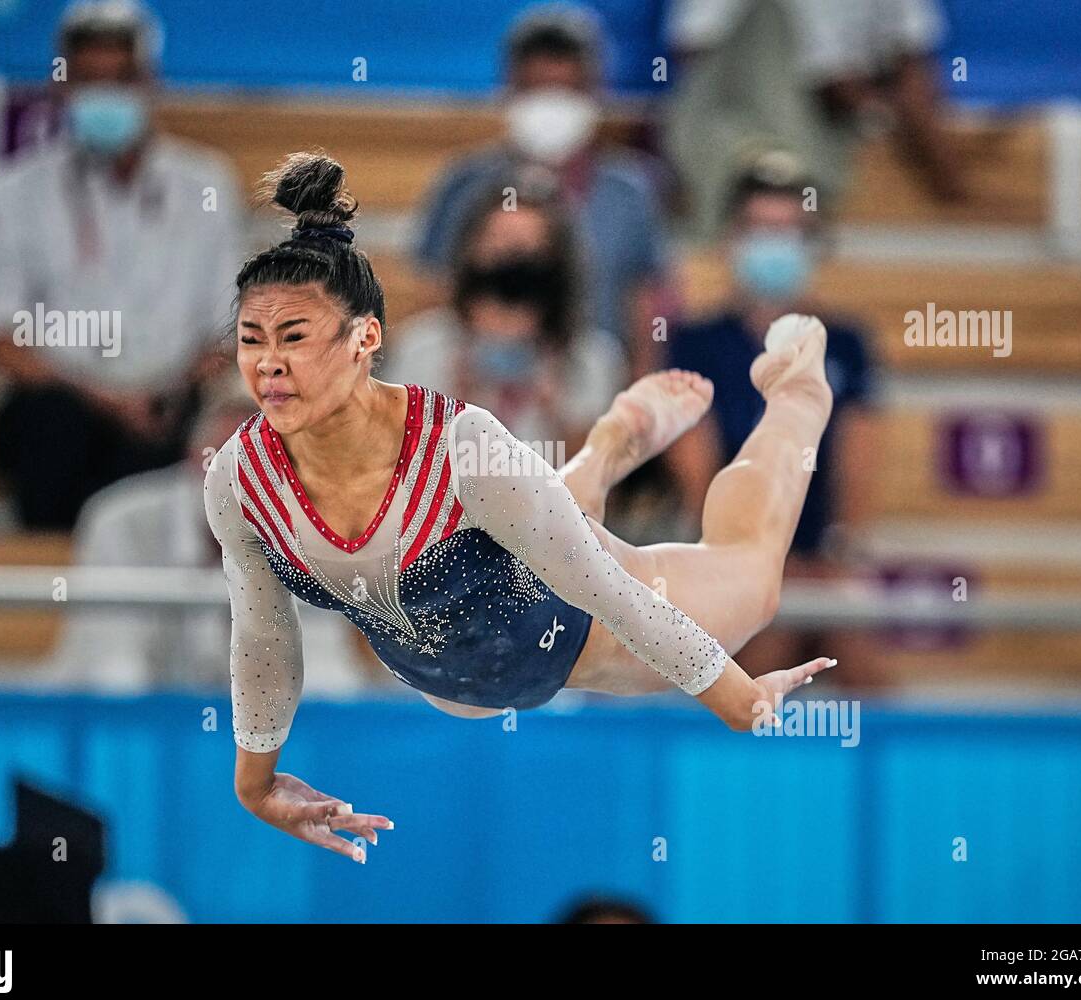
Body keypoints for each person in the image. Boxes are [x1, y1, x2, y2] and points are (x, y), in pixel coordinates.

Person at [204, 153, 836, 862]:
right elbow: (263, 633)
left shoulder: (457, 444)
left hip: (580, 633)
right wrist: (254, 784)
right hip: (451, 669)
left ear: (365, 340)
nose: (268, 366)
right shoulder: (239, 478)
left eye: (294, 338)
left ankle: (798, 390)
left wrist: (738, 698)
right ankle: (597, 459)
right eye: (251, 340)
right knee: (533, 524)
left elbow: (608, 590)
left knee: (754, 572)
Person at [0, 0, 244, 530]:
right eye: (90, 80)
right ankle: (47, 587)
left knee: (198, 432)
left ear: (150, 83)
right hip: (64, 406)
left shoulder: (205, 185)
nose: (106, 95)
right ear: (62, 86)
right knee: (52, 427)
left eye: (121, 78)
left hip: (171, 402)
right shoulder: (16, 190)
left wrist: (163, 392)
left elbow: (228, 332)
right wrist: (103, 398)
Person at [665, 153, 880, 683]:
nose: (775, 243)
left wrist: (835, 550)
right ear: (730, 240)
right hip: (723, 559)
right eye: (761, 229)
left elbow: (860, 461)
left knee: (858, 658)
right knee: (767, 647)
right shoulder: (695, 344)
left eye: (790, 231)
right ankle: (739, 759)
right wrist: (759, 565)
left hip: (821, 562)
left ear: (813, 244)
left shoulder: (846, 343)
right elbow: (699, 476)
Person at [47, 372, 376, 695]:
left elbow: (324, 676)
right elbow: (114, 671)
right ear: (194, 458)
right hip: (133, 733)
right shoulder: (121, 521)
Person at [413, 3, 672, 375]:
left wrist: (638, 406)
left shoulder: (629, 190)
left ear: (594, 91)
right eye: (536, 89)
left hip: (588, 390)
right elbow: (434, 293)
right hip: (475, 386)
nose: (551, 104)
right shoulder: (465, 183)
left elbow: (647, 304)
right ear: (510, 88)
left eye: (566, 89)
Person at [664, 0, 964, 240]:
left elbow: (911, 59)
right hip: (735, 110)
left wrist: (955, 186)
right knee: (767, 19)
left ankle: (793, 210)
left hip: (824, 126)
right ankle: (740, 206)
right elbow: (694, 52)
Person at [385, 184, 625, 453]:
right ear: (471, 255)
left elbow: (601, 476)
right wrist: (454, 401)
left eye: (525, 248)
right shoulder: (420, 347)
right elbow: (393, 459)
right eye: (498, 244)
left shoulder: (593, 358)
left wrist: (555, 409)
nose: (510, 261)